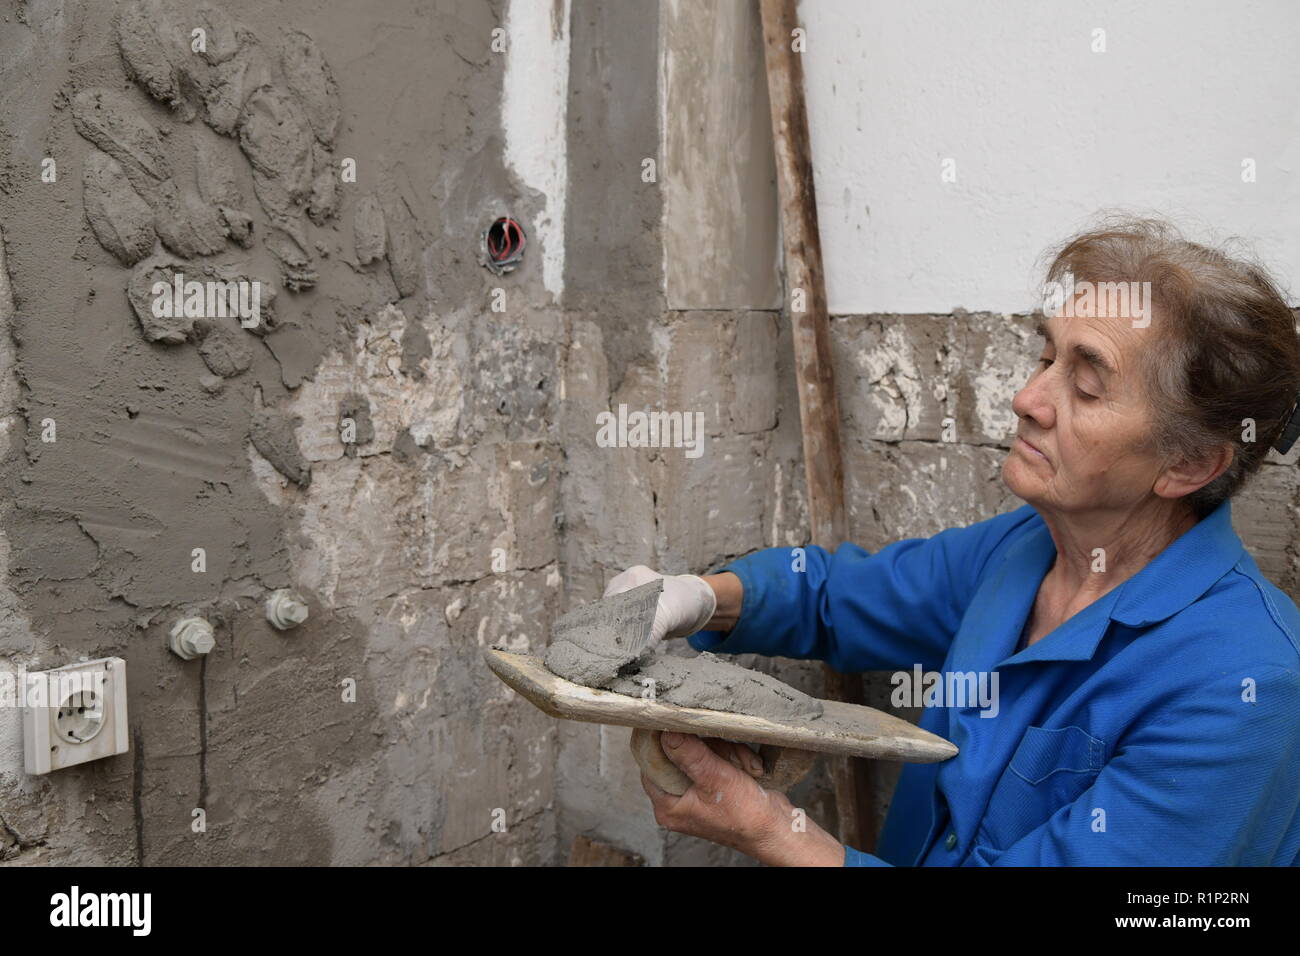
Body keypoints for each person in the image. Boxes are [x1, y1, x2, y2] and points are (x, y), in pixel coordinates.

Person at [605, 216, 1300, 866]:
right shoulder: (1023, 553)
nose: (1028, 397)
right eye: (1045, 356)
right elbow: (838, 596)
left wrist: (770, 831)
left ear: (1189, 464)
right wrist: (696, 599)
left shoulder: (1244, 686)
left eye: (1085, 387)